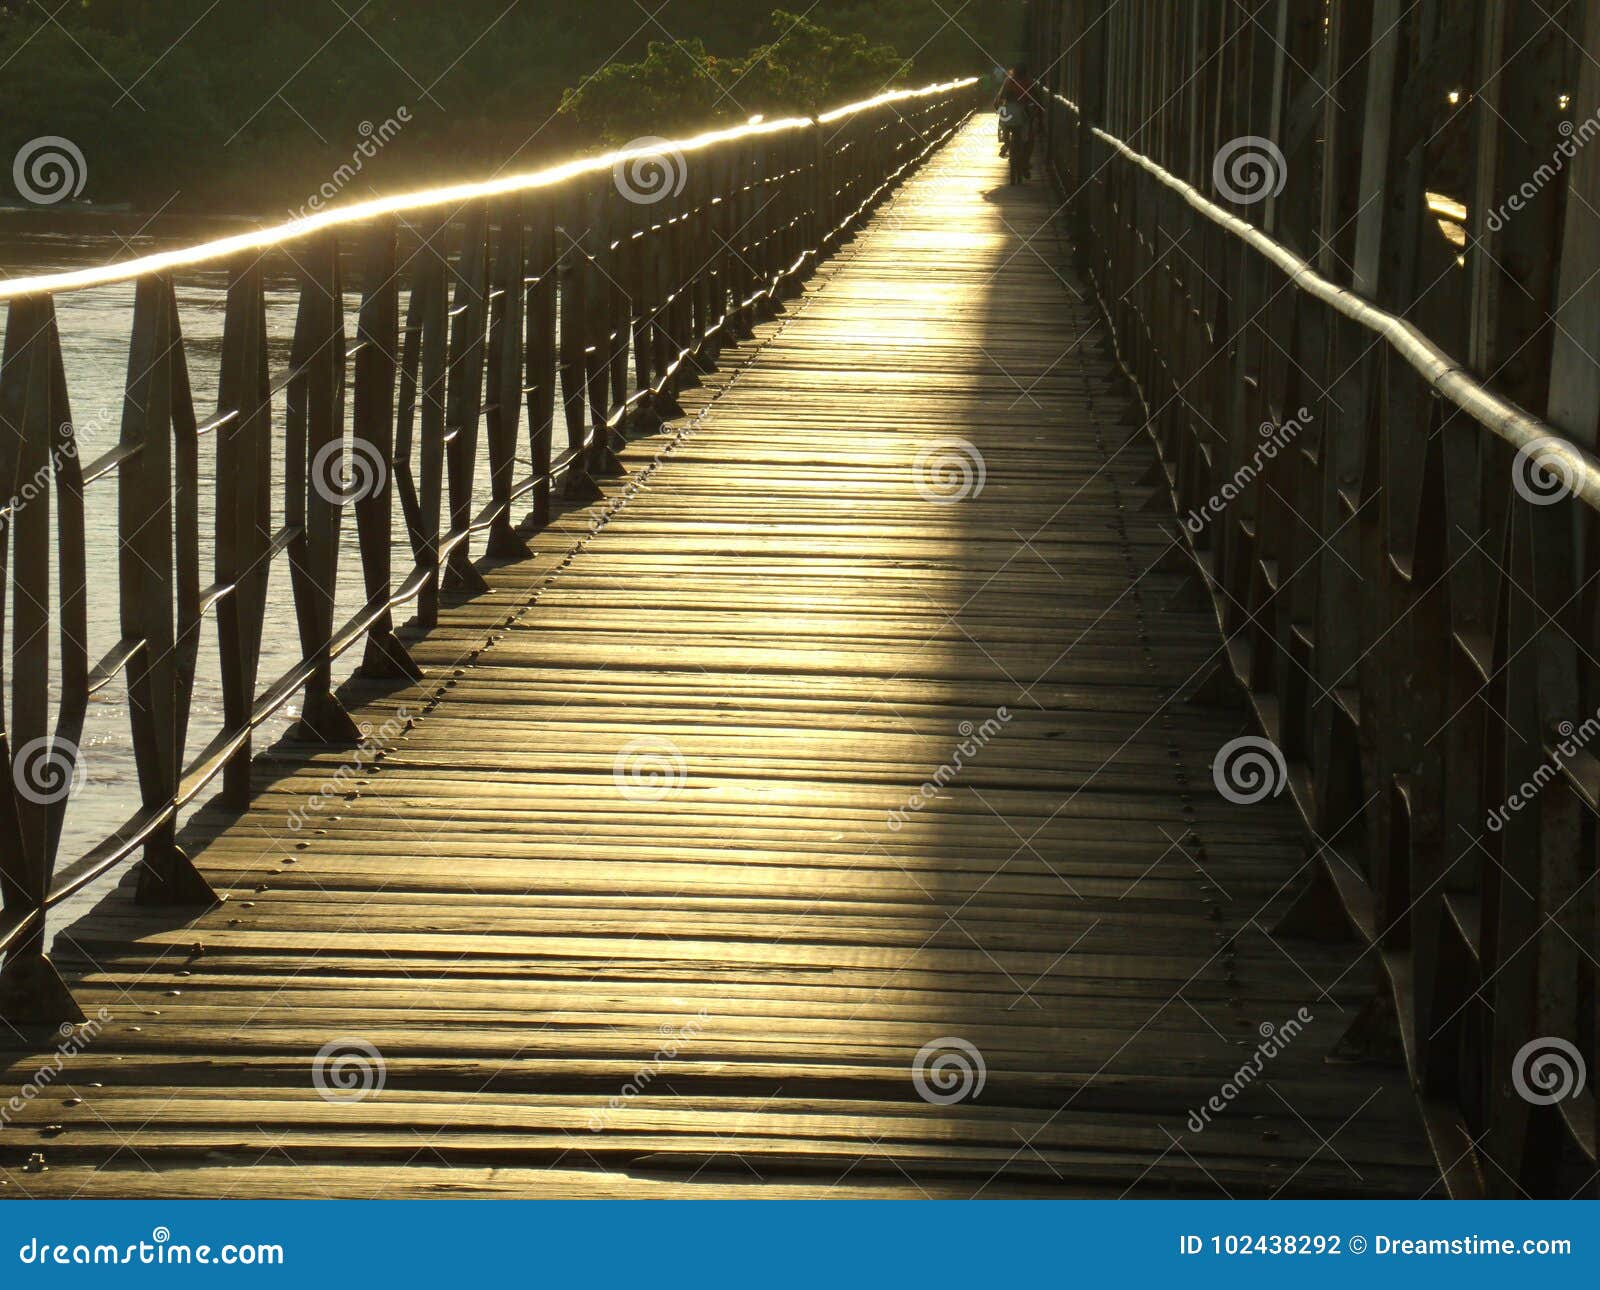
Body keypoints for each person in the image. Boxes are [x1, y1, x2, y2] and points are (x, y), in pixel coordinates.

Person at [994, 63, 1043, 178]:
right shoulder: (1028, 82)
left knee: (1004, 125)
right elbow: (1037, 100)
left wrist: (999, 109)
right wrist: (1040, 116)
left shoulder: (1008, 82)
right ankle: (1025, 163)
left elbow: (999, 99)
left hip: (1008, 116)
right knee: (1029, 139)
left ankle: (1006, 145)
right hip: (1023, 116)